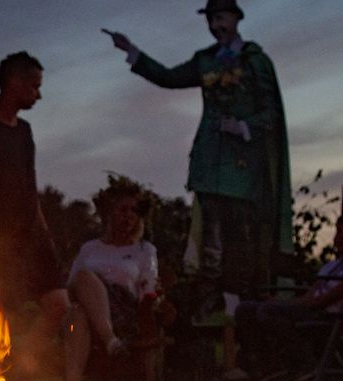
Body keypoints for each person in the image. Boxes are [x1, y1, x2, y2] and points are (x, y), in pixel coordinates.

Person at [103, 0, 292, 319]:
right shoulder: (205, 60)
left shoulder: (255, 61)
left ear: (236, 18)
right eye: (211, 20)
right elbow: (169, 77)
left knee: (239, 237)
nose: (216, 26)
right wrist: (132, 51)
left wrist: (244, 126)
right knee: (210, 238)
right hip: (209, 160)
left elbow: (271, 111)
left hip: (242, 165)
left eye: (221, 18)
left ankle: (237, 309)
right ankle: (209, 308)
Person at [0, 51, 70, 381]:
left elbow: (29, 189)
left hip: (31, 238)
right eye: (34, 86)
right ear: (14, 83)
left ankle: (21, 366)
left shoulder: (24, 131)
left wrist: (45, 236)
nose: (39, 94)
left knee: (59, 303)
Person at [231, 214, 343, 381]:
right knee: (244, 309)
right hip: (311, 310)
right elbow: (309, 297)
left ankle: (304, 361)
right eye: (339, 232)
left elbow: (320, 302)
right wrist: (279, 302)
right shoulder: (331, 267)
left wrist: (281, 305)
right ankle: (258, 360)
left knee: (266, 311)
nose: (341, 238)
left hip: (328, 318)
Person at [61, 183, 160, 381]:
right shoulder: (91, 248)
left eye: (134, 211)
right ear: (109, 213)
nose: (128, 216)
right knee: (78, 308)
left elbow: (149, 286)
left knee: (83, 289)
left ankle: (108, 341)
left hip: (123, 310)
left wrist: (151, 306)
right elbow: (72, 284)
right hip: (88, 307)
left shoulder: (144, 250)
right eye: (123, 209)